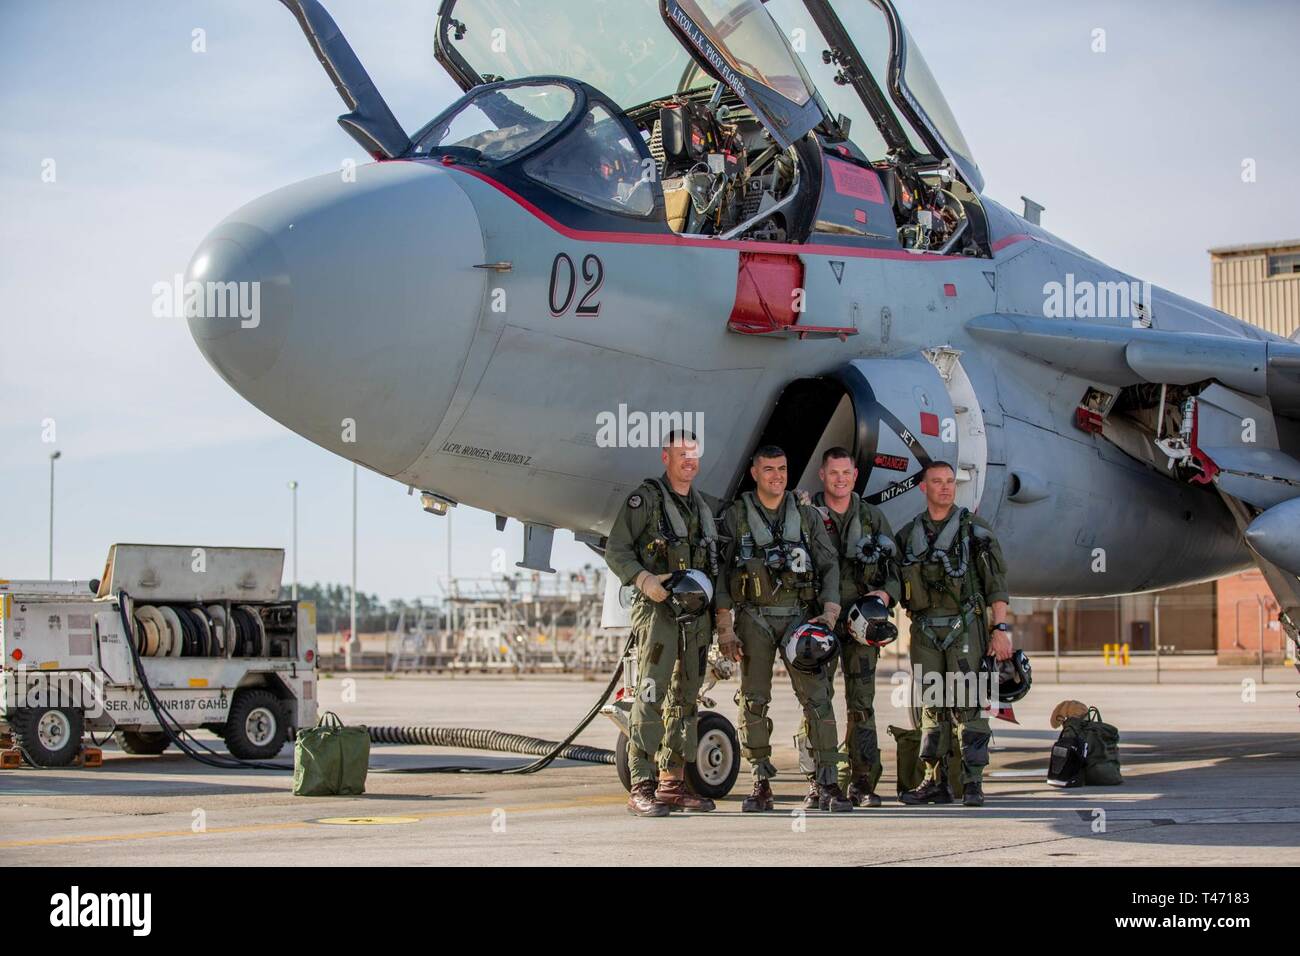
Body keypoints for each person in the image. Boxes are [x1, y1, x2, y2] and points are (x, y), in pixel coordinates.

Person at [715, 445, 847, 812]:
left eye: (783, 468)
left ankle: (827, 783)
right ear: (755, 473)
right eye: (769, 469)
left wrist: (830, 612)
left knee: (818, 698)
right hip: (753, 619)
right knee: (754, 700)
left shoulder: (805, 516)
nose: (777, 475)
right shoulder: (736, 518)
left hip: (799, 618)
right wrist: (725, 628)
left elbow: (829, 564)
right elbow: (722, 573)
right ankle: (760, 781)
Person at [604, 430, 719, 816]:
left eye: (694, 454)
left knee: (686, 696)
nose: (689, 460)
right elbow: (616, 547)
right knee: (651, 692)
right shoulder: (646, 500)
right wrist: (643, 580)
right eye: (680, 453)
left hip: (694, 615)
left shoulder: (701, 507)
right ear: (665, 457)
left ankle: (673, 783)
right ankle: (641, 783)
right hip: (658, 610)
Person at [895, 461, 1012, 808]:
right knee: (932, 705)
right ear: (923, 487)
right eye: (937, 482)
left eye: (950, 482)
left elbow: (997, 584)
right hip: (926, 630)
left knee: (970, 704)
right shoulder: (908, 535)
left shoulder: (974, 530)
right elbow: (893, 582)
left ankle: (973, 782)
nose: (945, 487)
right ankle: (935, 781)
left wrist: (1000, 629)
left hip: (966, 629)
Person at [793, 447, 900, 808]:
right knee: (816, 703)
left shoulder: (872, 518)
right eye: (833, 473)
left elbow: (894, 570)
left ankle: (863, 781)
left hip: (861, 624)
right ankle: (820, 781)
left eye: (846, 473)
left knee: (862, 705)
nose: (840, 479)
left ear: (855, 476)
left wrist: (885, 594)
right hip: (820, 621)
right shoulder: (806, 515)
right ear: (822, 475)